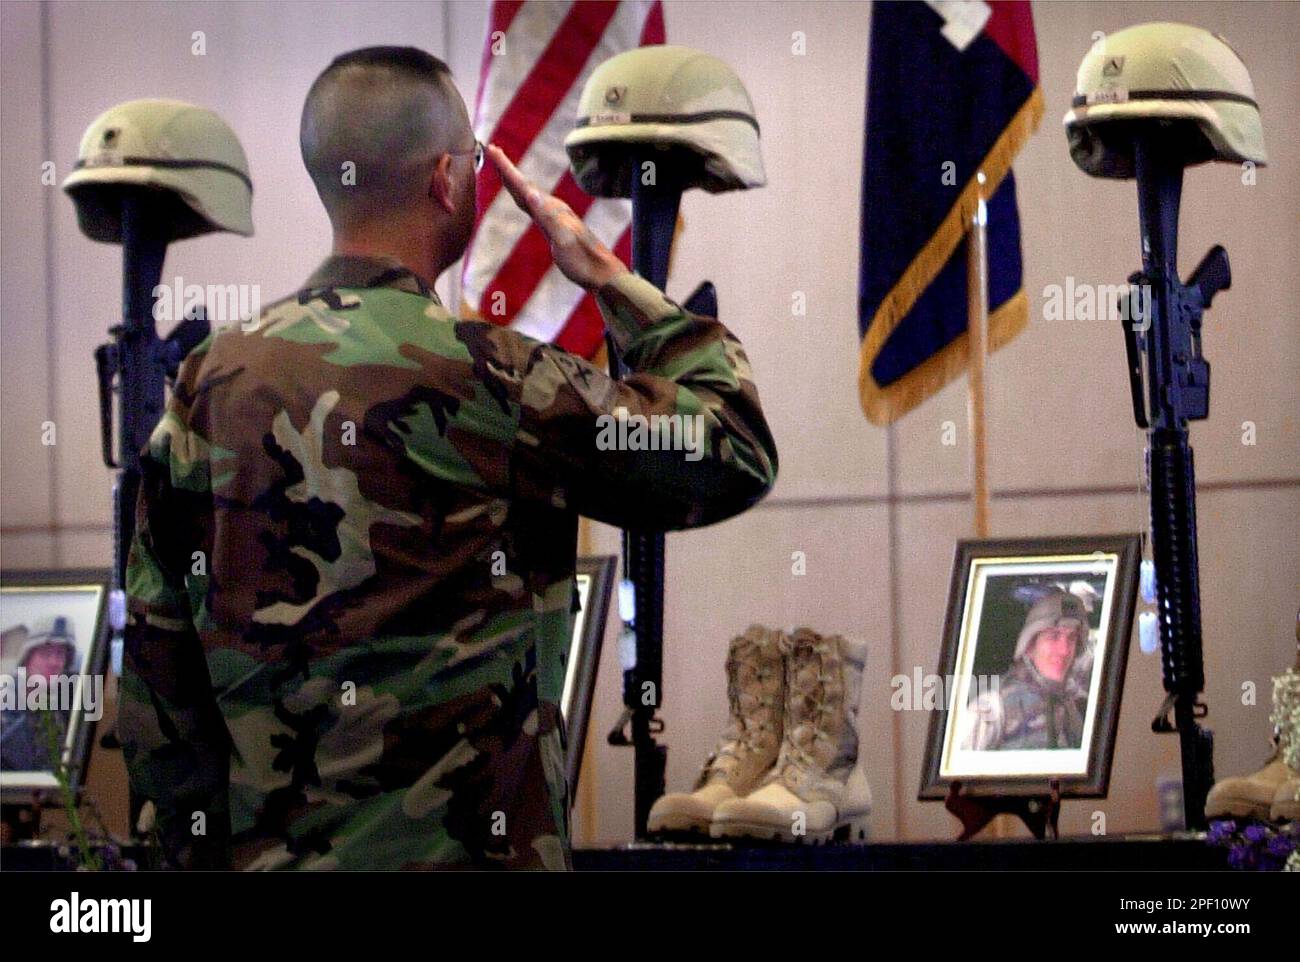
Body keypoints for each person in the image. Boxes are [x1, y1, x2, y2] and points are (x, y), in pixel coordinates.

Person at [119, 46, 778, 870]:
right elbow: (733, 449)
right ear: (446, 181)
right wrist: (610, 279)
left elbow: (157, 677)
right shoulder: (494, 378)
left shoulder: (207, 382)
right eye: (472, 162)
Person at [961, 590, 1089, 752]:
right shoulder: (991, 708)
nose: (1064, 650)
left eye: (1072, 638)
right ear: (1029, 646)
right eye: (1053, 636)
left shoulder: (1076, 706)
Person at [0, 617, 79, 772]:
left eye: (60, 654)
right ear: (27, 658)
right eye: (45, 653)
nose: (54, 662)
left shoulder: (61, 710)